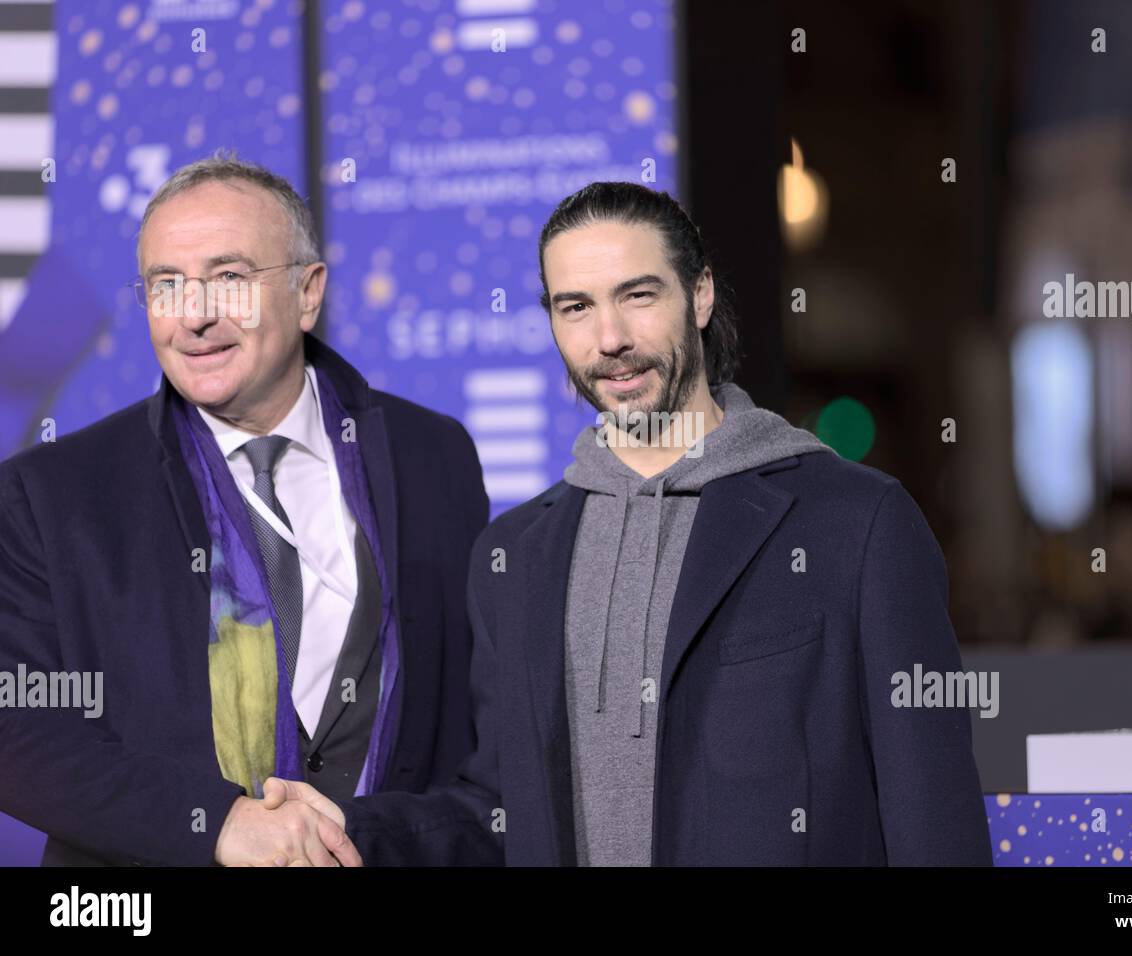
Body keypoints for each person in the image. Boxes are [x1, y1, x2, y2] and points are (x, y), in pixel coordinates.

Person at [269, 181, 993, 866]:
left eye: (637, 296)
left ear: (699, 295)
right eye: (575, 307)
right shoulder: (515, 558)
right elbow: (500, 810)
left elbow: (933, 819)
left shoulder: (855, 524)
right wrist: (348, 829)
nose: (608, 338)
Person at [0, 152, 486, 866]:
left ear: (308, 292)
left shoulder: (432, 453)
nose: (194, 316)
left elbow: (474, 721)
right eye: (167, 284)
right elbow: (16, 725)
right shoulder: (52, 492)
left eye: (228, 278)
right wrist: (216, 824)